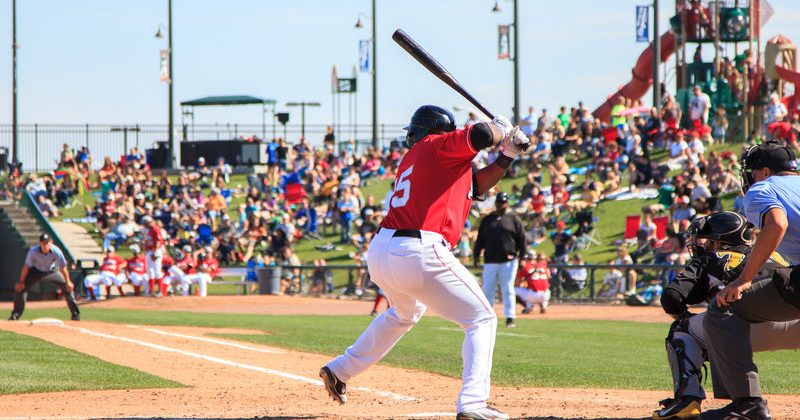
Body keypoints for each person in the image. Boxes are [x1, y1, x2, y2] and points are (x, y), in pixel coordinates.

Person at [319, 105, 529, 420]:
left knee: (404, 313)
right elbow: (483, 134)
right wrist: (499, 126)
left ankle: (341, 369)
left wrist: (508, 153)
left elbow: (478, 186)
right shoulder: (434, 145)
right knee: (481, 319)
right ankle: (472, 403)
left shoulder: (428, 159)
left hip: (384, 249)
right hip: (418, 248)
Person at [653, 212, 800, 420]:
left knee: (683, 329)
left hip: (743, 325)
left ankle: (687, 401)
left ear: (718, 242)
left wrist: (684, 318)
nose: (702, 244)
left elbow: (671, 298)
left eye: (707, 240)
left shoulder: (712, 258)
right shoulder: (775, 254)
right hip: (794, 322)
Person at [700, 143, 800, 419]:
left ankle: (747, 404)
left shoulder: (763, 188)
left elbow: (777, 224)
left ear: (764, 171)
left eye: (752, 171)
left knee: (723, 309)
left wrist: (744, 279)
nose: (750, 177)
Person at [474, 191, 527, 327]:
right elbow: (480, 240)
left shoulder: (513, 219)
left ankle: (510, 317)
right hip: (490, 260)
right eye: (499, 202)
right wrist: (476, 256)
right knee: (488, 289)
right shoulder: (487, 220)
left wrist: (522, 257)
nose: (501, 205)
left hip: (508, 260)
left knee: (508, 288)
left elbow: (522, 239)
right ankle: (487, 316)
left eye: (503, 202)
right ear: (495, 203)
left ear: (507, 203)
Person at [9, 234, 80, 321]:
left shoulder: (56, 251)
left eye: (47, 243)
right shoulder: (33, 251)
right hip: (36, 271)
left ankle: (75, 315)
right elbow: (27, 266)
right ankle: (15, 315)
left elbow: (63, 267)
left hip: (51, 271)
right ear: (40, 243)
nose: (45, 245)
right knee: (20, 288)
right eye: (43, 243)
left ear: (51, 243)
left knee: (67, 287)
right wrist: (21, 281)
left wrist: (68, 281)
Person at [142, 215, 164, 296]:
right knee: (150, 271)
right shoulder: (149, 230)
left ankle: (160, 291)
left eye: (145, 223)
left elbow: (158, 240)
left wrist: (155, 252)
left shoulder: (155, 229)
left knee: (157, 270)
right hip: (149, 251)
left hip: (155, 251)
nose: (144, 224)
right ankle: (151, 291)